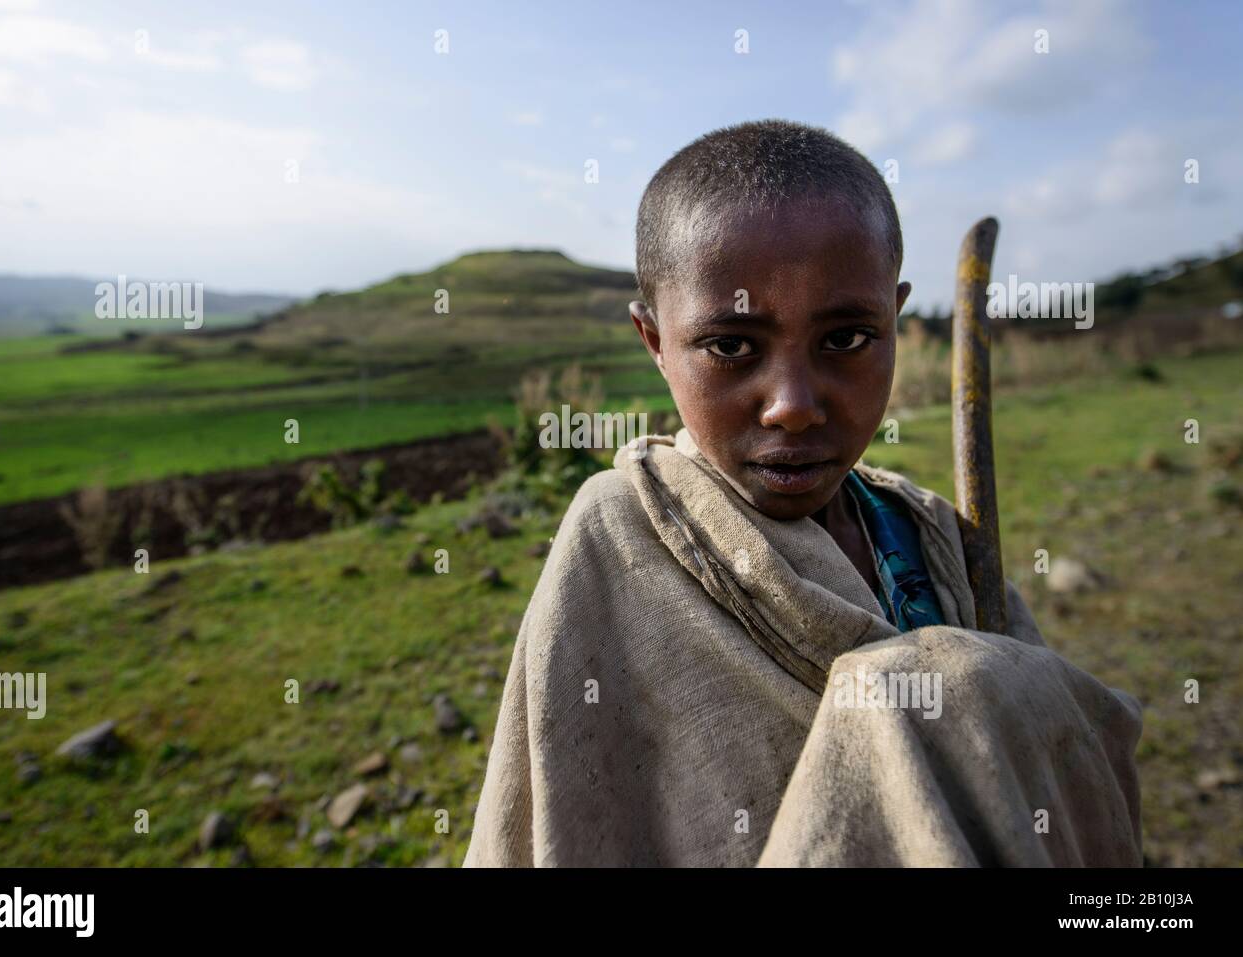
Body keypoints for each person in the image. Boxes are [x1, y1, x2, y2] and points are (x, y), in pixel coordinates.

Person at [463, 119, 1143, 867]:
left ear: (896, 315)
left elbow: (1054, 756)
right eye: (730, 345)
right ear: (654, 341)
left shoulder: (938, 542)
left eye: (848, 337)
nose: (792, 403)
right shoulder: (617, 540)